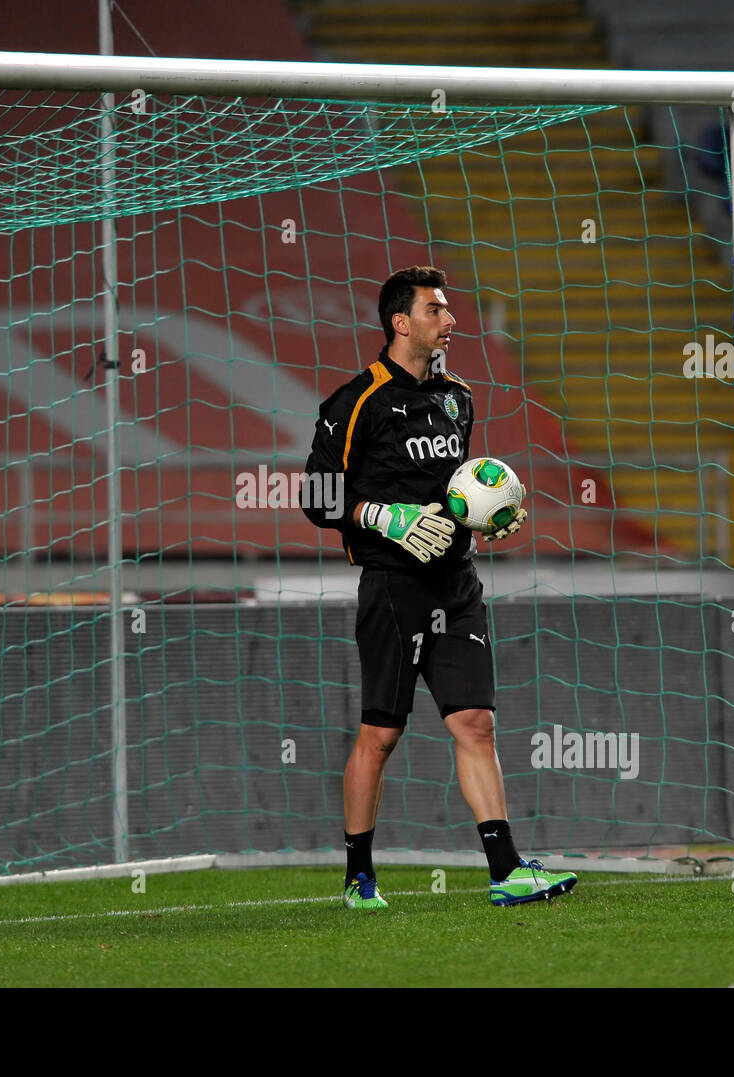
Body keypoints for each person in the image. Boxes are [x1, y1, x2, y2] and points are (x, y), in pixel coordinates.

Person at [299, 265, 578, 909]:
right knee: (381, 734)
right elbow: (315, 496)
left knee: (476, 724)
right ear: (402, 322)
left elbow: (457, 489)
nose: (450, 320)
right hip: (394, 586)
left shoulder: (459, 397)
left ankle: (506, 870)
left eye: (448, 310)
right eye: (436, 310)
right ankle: (358, 875)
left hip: (456, 582)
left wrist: (489, 514)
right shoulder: (354, 402)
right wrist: (380, 516)